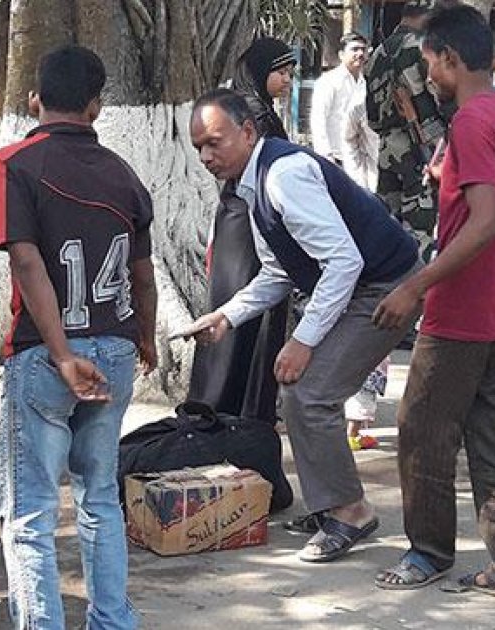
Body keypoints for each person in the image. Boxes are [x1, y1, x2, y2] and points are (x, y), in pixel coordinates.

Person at [186, 88, 421, 563]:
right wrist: (227, 315)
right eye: (199, 148)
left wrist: (302, 340)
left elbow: (343, 262)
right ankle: (330, 502)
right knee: (299, 390)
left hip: (386, 286)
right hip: (355, 282)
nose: (207, 156)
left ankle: (350, 510)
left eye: (215, 142)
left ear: (248, 132)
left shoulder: (284, 175)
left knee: (309, 391)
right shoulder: (250, 185)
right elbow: (279, 271)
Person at [372, 4, 495, 606]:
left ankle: (427, 551)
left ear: (447, 57)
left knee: (421, 429)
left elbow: (485, 223)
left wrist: (413, 287)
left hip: (463, 310)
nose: (426, 72)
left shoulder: (472, 122)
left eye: (428, 61)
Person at [0, 45, 156, 630]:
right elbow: (142, 274)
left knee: (30, 513)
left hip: (44, 354)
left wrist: (61, 355)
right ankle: (113, 621)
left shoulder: (13, 163)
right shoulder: (125, 174)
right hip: (114, 345)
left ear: (35, 99)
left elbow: (27, 263)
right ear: (96, 105)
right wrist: (147, 339)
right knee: (99, 495)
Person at [187, 37, 294, 428]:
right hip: (245, 227)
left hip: (253, 223)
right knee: (238, 316)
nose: (287, 80)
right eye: (281, 72)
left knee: (255, 318)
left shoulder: (259, 112)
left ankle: (243, 411)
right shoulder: (251, 117)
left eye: (290, 72)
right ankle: (225, 410)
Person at [365, 0, 446, 260]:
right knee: (420, 229)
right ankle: (415, 291)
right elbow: (441, 100)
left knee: (387, 223)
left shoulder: (378, 53)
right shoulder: (423, 49)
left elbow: (373, 118)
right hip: (422, 149)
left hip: (388, 147)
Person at [311, 33, 369, 169]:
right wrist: (325, 156)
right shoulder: (329, 81)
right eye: (354, 49)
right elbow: (318, 119)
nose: (360, 53)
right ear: (341, 54)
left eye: (363, 49)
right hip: (335, 158)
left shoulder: (366, 82)